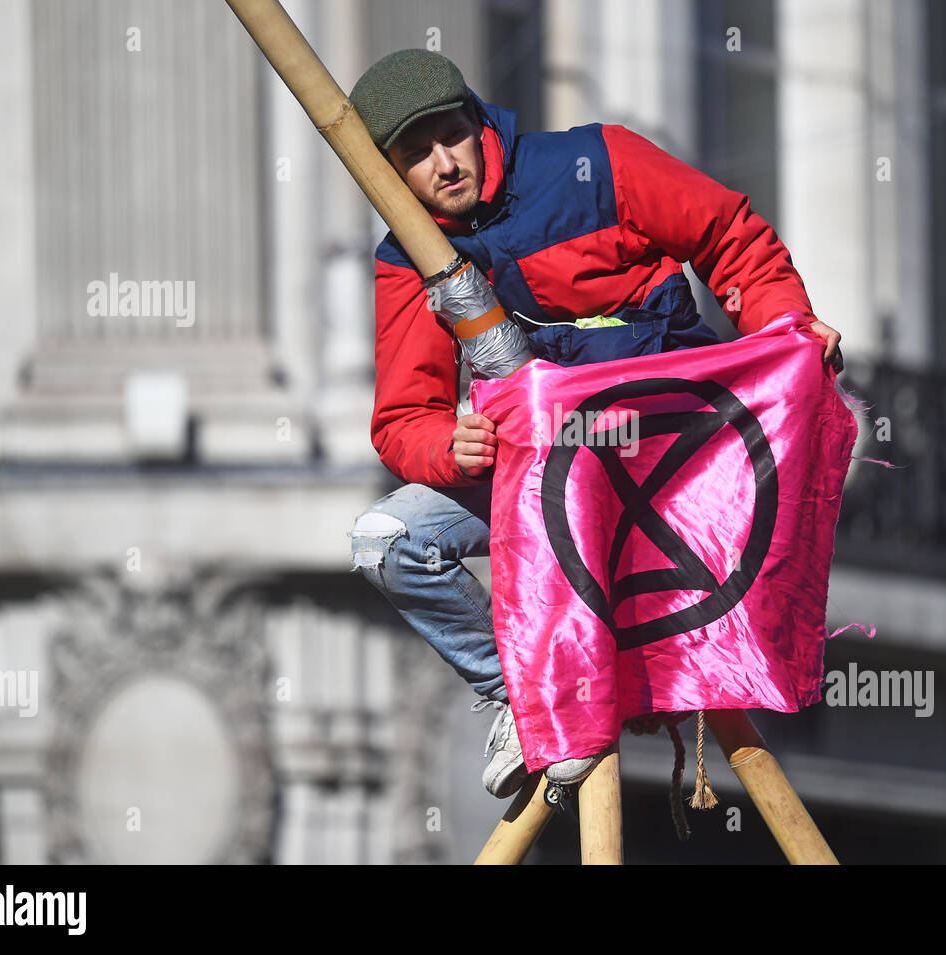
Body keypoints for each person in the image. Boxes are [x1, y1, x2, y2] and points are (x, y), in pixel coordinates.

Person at [346, 49, 842, 799]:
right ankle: (526, 694)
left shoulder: (600, 161)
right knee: (388, 543)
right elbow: (402, 419)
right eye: (416, 156)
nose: (445, 165)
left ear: (479, 122)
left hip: (669, 455)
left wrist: (786, 332)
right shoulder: (406, 259)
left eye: (451, 137)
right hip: (538, 480)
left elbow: (729, 237)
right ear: (390, 173)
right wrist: (448, 448)